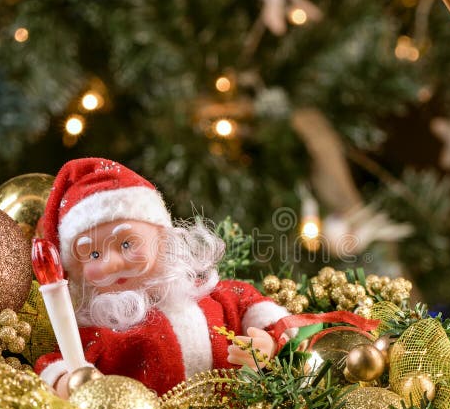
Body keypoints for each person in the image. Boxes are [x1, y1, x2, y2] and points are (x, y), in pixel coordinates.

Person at [34, 158, 291, 396]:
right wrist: (68, 383)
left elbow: (259, 311)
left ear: (163, 238)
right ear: (78, 272)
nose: (112, 264)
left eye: (126, 244)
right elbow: (57, 364)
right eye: (94, 254)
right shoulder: (99, 336)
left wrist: (269, 344)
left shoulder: (214, 299)